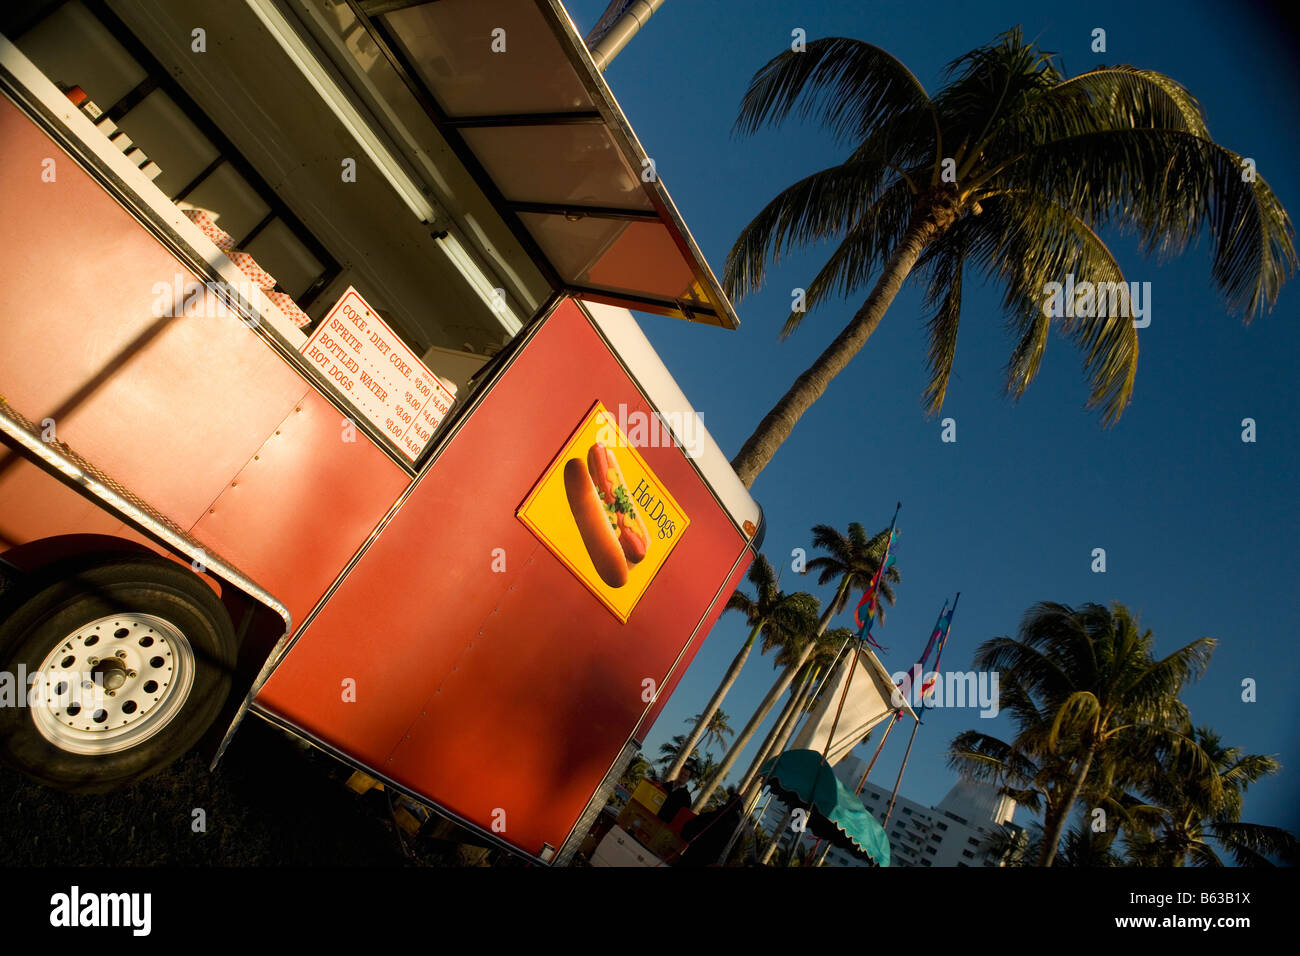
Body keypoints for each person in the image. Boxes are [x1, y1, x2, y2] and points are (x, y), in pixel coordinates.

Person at [675, 789, 756, 867]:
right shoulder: (736, 829)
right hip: (705, 859)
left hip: (695, 855)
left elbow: (691, 826)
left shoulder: (716, 816)